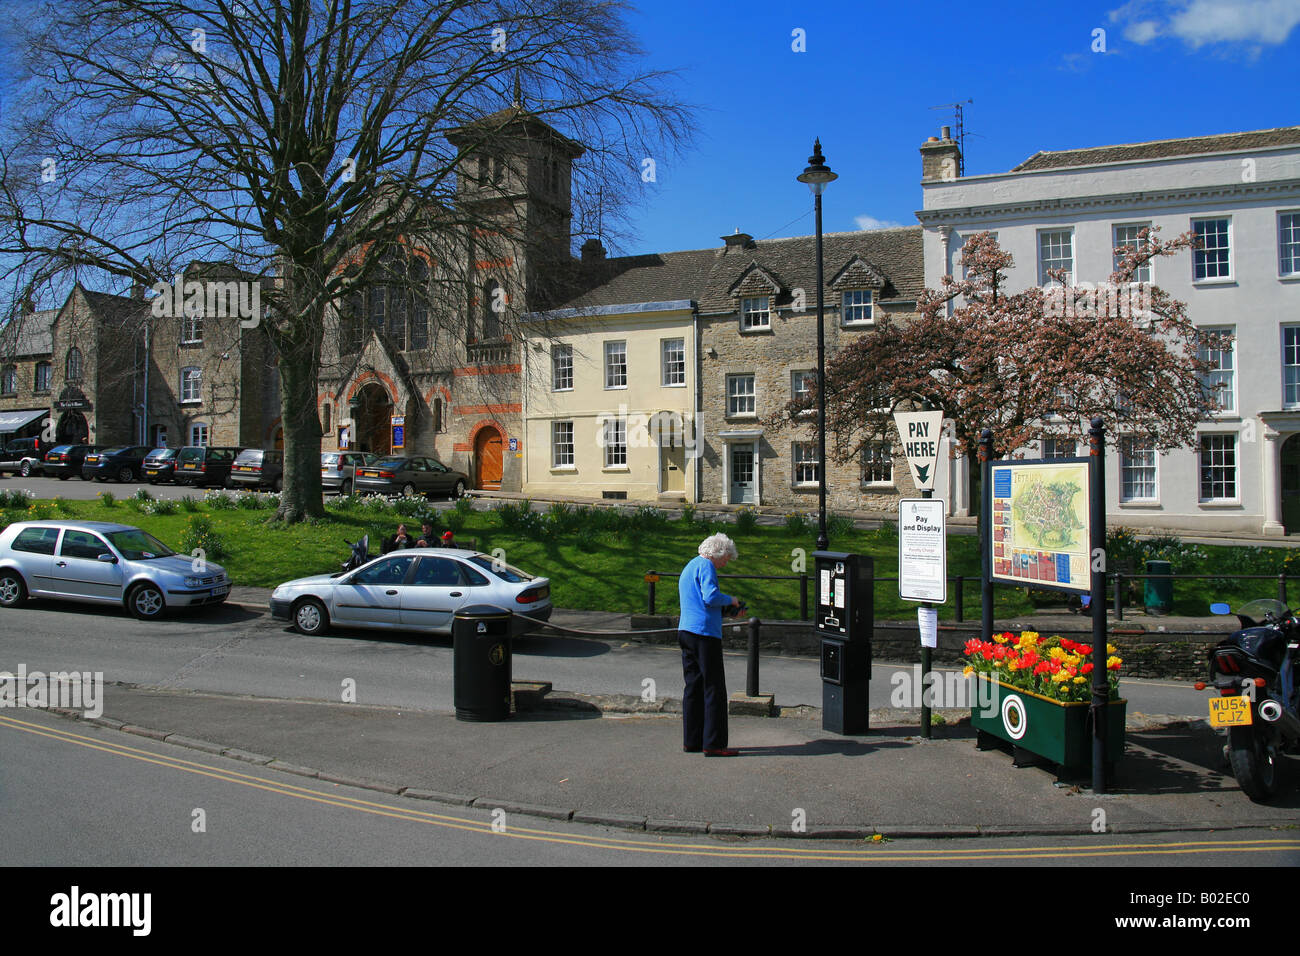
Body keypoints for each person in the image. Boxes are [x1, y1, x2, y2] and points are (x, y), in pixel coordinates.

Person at [677, 532, 741, 757]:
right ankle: (714, 743)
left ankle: (691, 740)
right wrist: (731, 600)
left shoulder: (690, 566)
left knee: (693, 686)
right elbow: (710, 597)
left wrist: (725, 614)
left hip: (686, 631)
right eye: (726, 558)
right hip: (705, 635)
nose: (725, 563)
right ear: (718, 553)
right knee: (714, 688)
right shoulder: (706, 566)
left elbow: (699, 602)